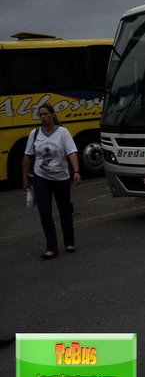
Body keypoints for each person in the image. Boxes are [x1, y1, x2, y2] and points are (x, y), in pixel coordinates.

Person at [21, 104, 82, 260]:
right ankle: (51, 247)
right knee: (44, 212)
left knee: (64, 211)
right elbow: (27, 156)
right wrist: (25, 178)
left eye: (45, 114)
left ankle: (69, 242)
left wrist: (76, 171)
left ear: (53, 115)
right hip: (41, 177)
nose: (43, 117)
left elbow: (72, 152)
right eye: (40, 115)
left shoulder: (62, 132)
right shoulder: (34, 134)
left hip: (61, 177)